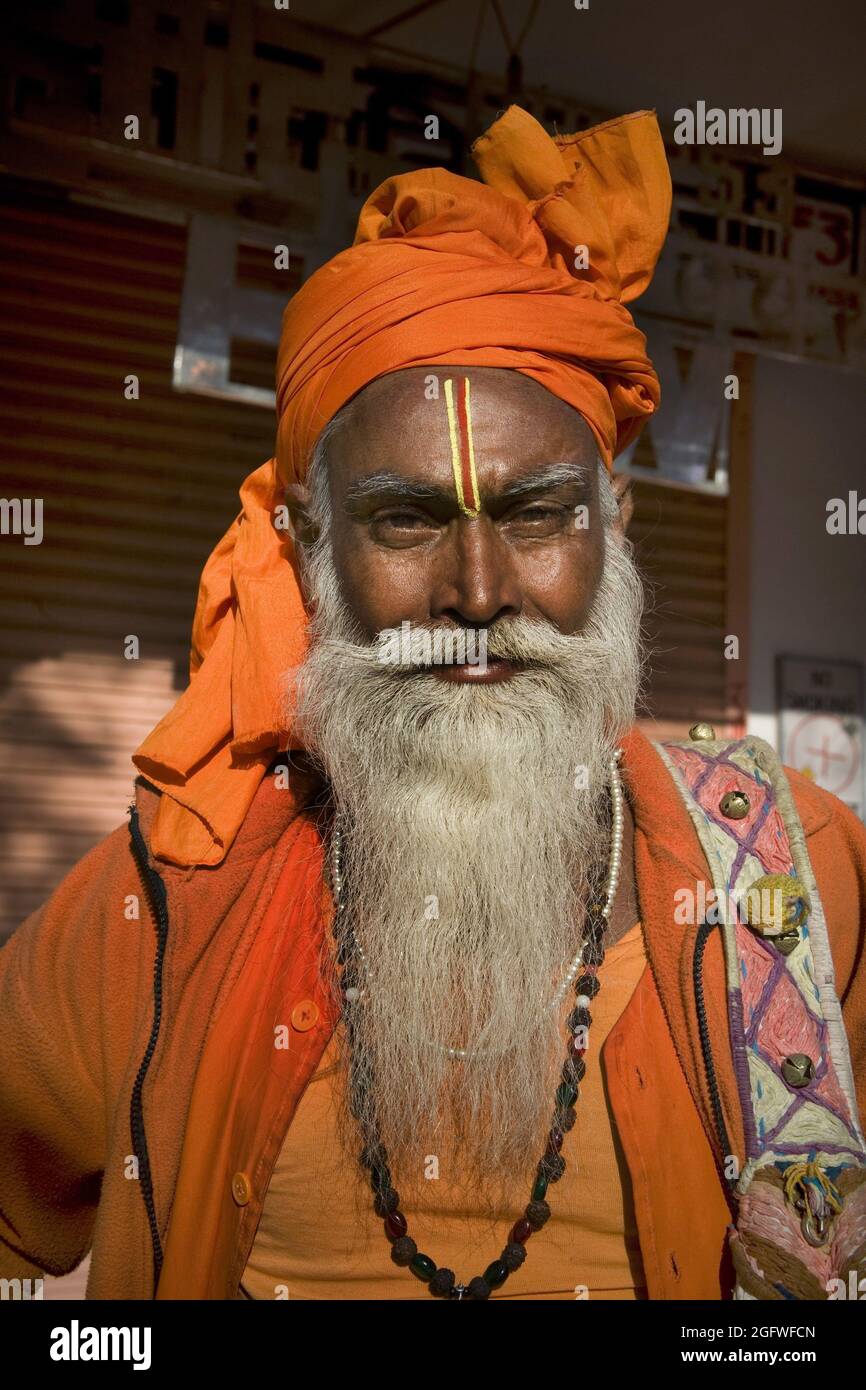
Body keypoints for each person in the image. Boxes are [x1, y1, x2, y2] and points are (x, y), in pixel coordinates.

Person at [1, 105, 864, 1303]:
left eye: (535, 513)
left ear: (612, 525)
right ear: (311, 548)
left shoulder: (797, 876)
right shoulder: (171, 899)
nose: (474, 591)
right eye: (406, 518)